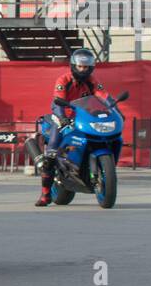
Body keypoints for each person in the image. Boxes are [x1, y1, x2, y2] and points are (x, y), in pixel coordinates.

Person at [36, 47, 109, 207]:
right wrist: (62, 118)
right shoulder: (64, 80)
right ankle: (45, 194)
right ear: (73, 65)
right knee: (52, 152)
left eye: (86, 67)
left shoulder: (92, 81)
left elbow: (103, 96)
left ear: (91, 67)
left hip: (84, 118)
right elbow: (58, 100)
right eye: (80, 66)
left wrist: (113, 109)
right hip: (63, 116)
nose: (83, 70)